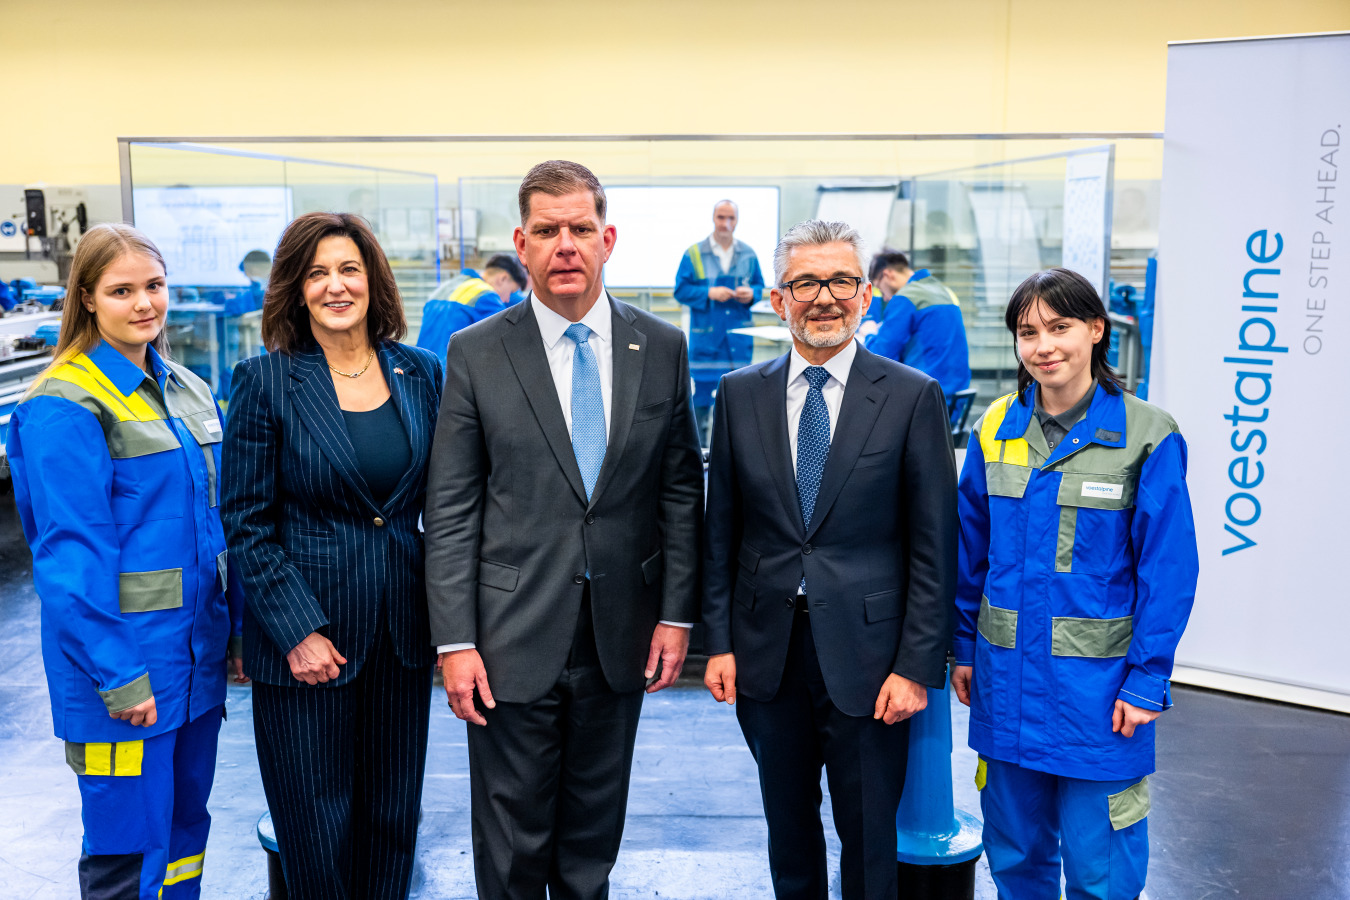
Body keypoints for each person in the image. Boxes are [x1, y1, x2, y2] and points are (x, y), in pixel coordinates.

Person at [424, 159, 703, 900]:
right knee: (513, 847)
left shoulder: (662, 348)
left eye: (581, 228)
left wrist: (677, 614)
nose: (566, 245)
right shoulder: (477, 352)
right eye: (547, 231)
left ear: (608, 238)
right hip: (507, 634)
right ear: (522, 243)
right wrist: (455, 642)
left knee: (591, 842)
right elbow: (451, 507)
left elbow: (680, 491)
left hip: (622, 633)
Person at [702, 220, 958, 900]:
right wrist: (718, 645)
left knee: (871, 843)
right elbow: (720, 531)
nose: (825, 297)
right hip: (767, 656)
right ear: (778, 299)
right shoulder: (739, 395)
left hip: (874, 665)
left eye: (841, 280)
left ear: (866, 294)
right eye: (806, 282)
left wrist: (915, 666)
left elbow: (935, 548)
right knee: (788, 835)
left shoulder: (911, 398)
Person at [7, 223, 243, 899]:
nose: (145, 303)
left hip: (194, 664)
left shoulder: (187, 389)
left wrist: (236, 635)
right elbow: (71, 559)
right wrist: (121, 676)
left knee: (182, 837)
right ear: (86, 298)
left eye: (155, 286)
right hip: (123, 678)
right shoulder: (64, 404)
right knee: (127, 851)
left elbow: (215, 529)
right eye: (122, 290)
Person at [950, 267, 1198, 900]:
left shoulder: (1147, 435)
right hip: (1004, 687)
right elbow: (968, 551)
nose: (1044, 346)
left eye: (1059, 327)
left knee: (1101, 870)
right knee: (1015, 856)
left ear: (1095, 330)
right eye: (1028, 332)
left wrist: (1148, 679)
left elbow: (1169, 572)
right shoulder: (993, 428)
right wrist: (963, 649)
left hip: (1100, 697)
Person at [221, 212, 444, 900]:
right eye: (317, 273)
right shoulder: (266, 381)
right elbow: (246, 520)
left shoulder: (421, 374)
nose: (336, 286)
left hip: (402, 637)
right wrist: (297, 630)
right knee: (315, 828)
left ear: (373, 281)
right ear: (296, 289)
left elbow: (440, 506)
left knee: (390, 819)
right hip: (307, 650)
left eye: (349, 269)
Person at [673, 199, 766, 444]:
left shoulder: (748, 254)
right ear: (713, 218)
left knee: (737, 398)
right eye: (721, 217)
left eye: (731, 218)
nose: (725, 223)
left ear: (737, 220)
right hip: (707, 341)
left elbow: (759, 285)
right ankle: (698, 452)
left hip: (737, 340)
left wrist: (752, 294)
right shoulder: (694, 254)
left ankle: (736, 452)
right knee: (701, 397)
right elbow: (680, 291)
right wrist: (708, 294)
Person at [862, 251, 971, 403]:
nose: (885, 297)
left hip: (926, 401)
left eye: (880, 288)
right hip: (956, 398)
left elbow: (880, 356)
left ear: (888, 275)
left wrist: (869, 334)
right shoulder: (942, 292)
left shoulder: (906, 299)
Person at [415, 260, 513, 367]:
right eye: (511, 292)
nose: (507, 299)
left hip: (423, 369)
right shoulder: (487, 295)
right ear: (503, 278)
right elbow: (504, 342)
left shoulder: (444, 288)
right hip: (450, 375)